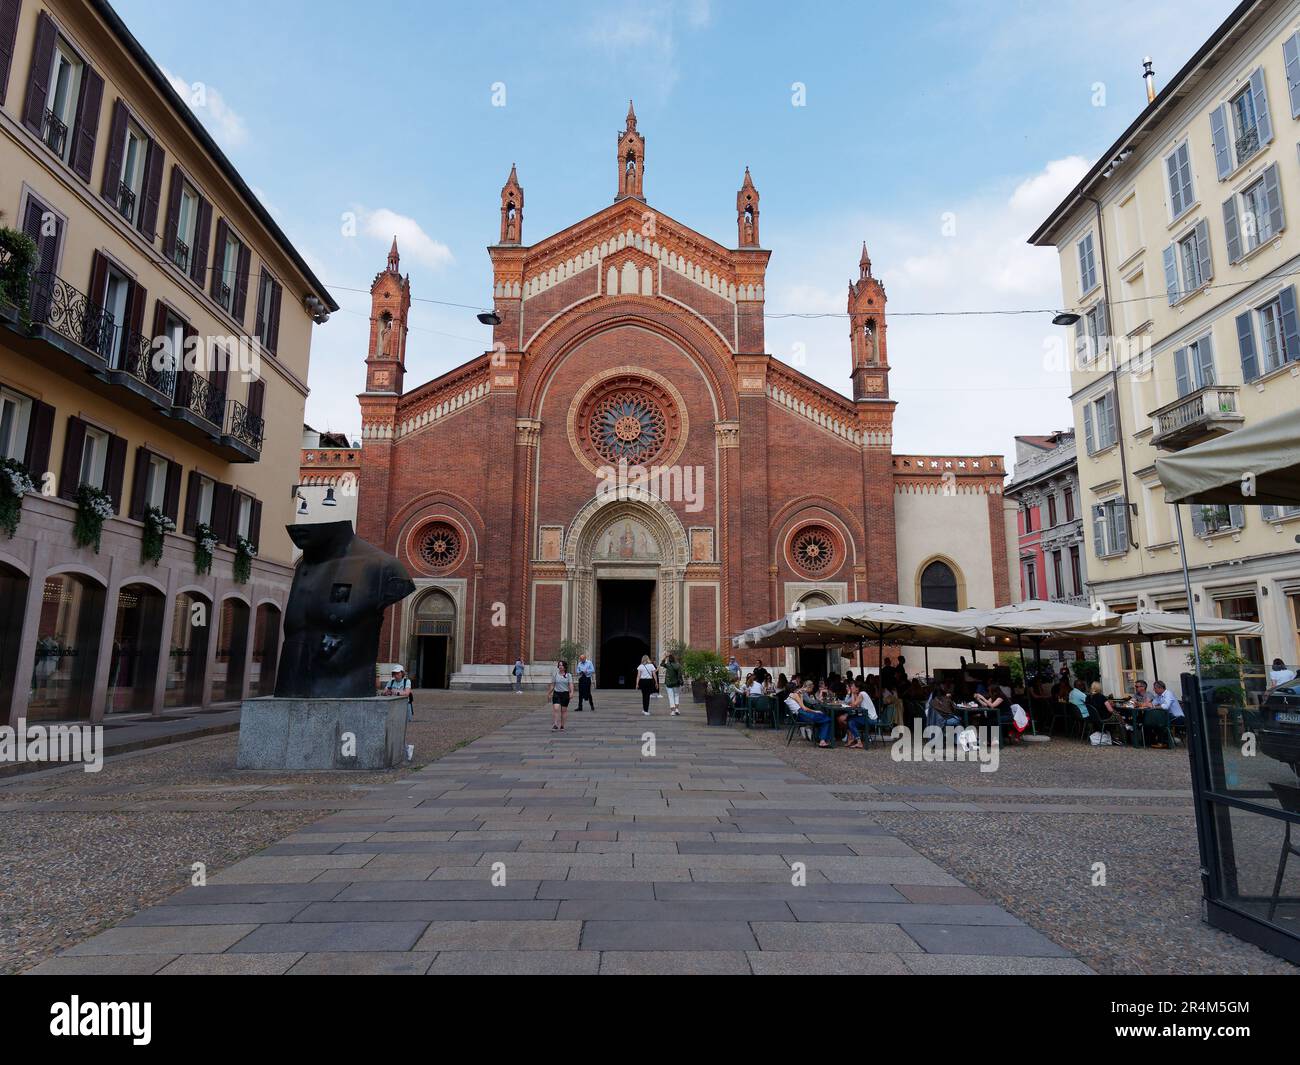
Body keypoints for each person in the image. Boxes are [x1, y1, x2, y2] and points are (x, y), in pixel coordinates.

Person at [786, 679, 832, 748]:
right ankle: (823, 740)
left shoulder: (790, 695)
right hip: (802, 715)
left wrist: (800, 695)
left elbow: (802, 706)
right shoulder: (795, 695)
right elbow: (804, 708)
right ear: (794, 688)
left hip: (799, 715)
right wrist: (815, 711)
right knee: (828, 719)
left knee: (824, 719)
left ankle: (821, 739)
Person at [548, 660, 572, 731]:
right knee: (556, 708)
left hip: (565, 694)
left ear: (564, 667)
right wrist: (549, 693)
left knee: (563, 710)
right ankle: (555, 724)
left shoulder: (568, 675)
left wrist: (572, 692)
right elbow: (552, 685)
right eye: (559, 665)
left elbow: (570, 684)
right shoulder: (555, 675)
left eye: (562, 665)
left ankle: (562, 725)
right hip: (556, 693)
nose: (560, 666)